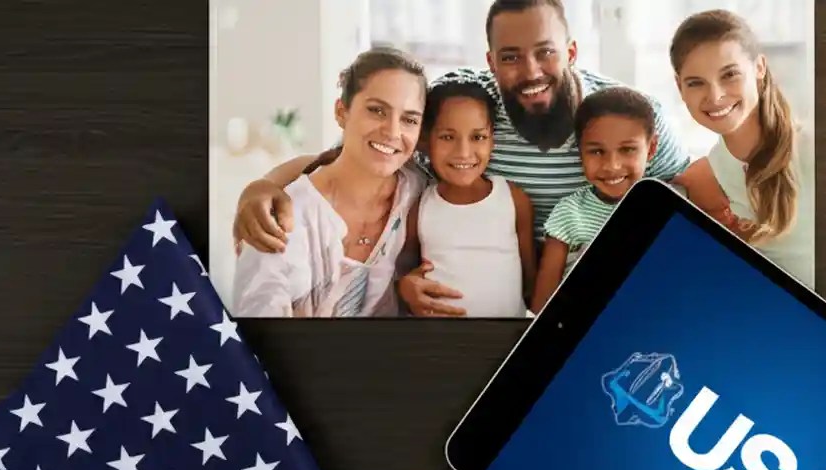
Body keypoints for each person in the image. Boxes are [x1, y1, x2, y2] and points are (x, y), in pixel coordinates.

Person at [230, 0, 691, 317]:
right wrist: (265, 185)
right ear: (491, 62)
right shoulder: (468, 106)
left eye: (545, 53)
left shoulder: (626, 118)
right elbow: (375, 150)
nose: (530, 71)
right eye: (511, 57)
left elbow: (689, 191)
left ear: (570, 52)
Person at [230, 48, 427, 317]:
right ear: (341, 112)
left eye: (409, 119)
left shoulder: (418, 192)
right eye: (377, 110)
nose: (393, 132)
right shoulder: (281, 219)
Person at [669, 9, 816, 288]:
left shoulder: (814, 149)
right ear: (679, 87)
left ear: (759, 68)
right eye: (696, 83)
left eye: (730, 75)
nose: (715, 96)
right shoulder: (702, 179)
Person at [403, 81, 537, 318]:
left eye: (478, 137)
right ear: (425, 139)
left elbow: (529, 278)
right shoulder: (420, 206)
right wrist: (405, 287)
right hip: (441, 340)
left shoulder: (513, 199)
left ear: (492, 139)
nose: (464, 152)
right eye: (447, 137)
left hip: (506, 339)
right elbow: (404, 273)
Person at [531, 87, 658, 313]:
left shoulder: (662, 208)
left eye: (628, 149)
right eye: (597, 152)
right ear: (580, 152)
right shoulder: (569, 213)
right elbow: (543, 301)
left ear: (651, 149)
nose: (612, 166)